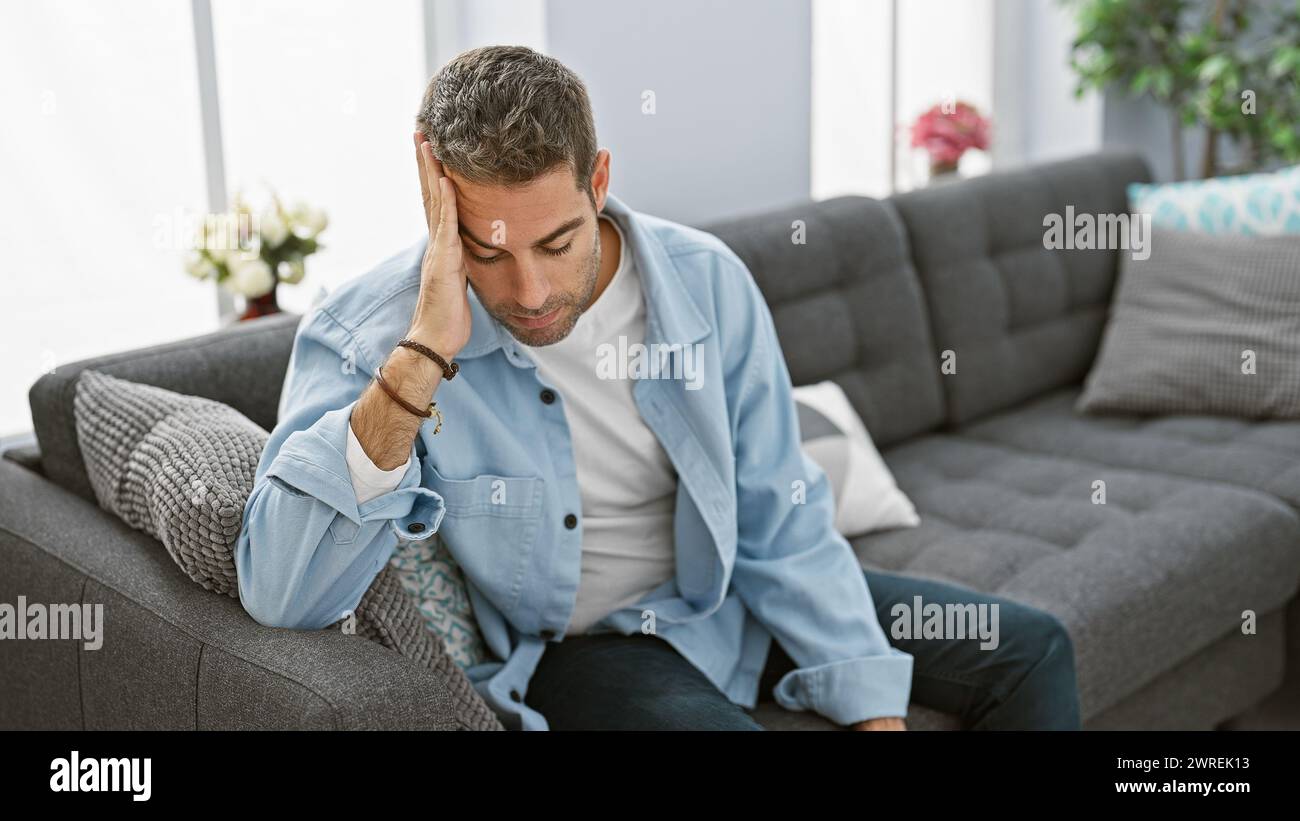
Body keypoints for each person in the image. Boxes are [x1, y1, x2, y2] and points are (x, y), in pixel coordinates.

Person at [235, 45, 1081, 732]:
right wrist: (422, 353)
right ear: (440, 215)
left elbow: (779, 517)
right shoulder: (372, 334)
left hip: (725, 594)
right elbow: (283, 590)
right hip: (584, 646)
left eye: (557, 242)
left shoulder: (704, 282)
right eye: (487, 252)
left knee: (1035, 648)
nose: (529, 292)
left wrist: (872, 712)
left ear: (599, 181)